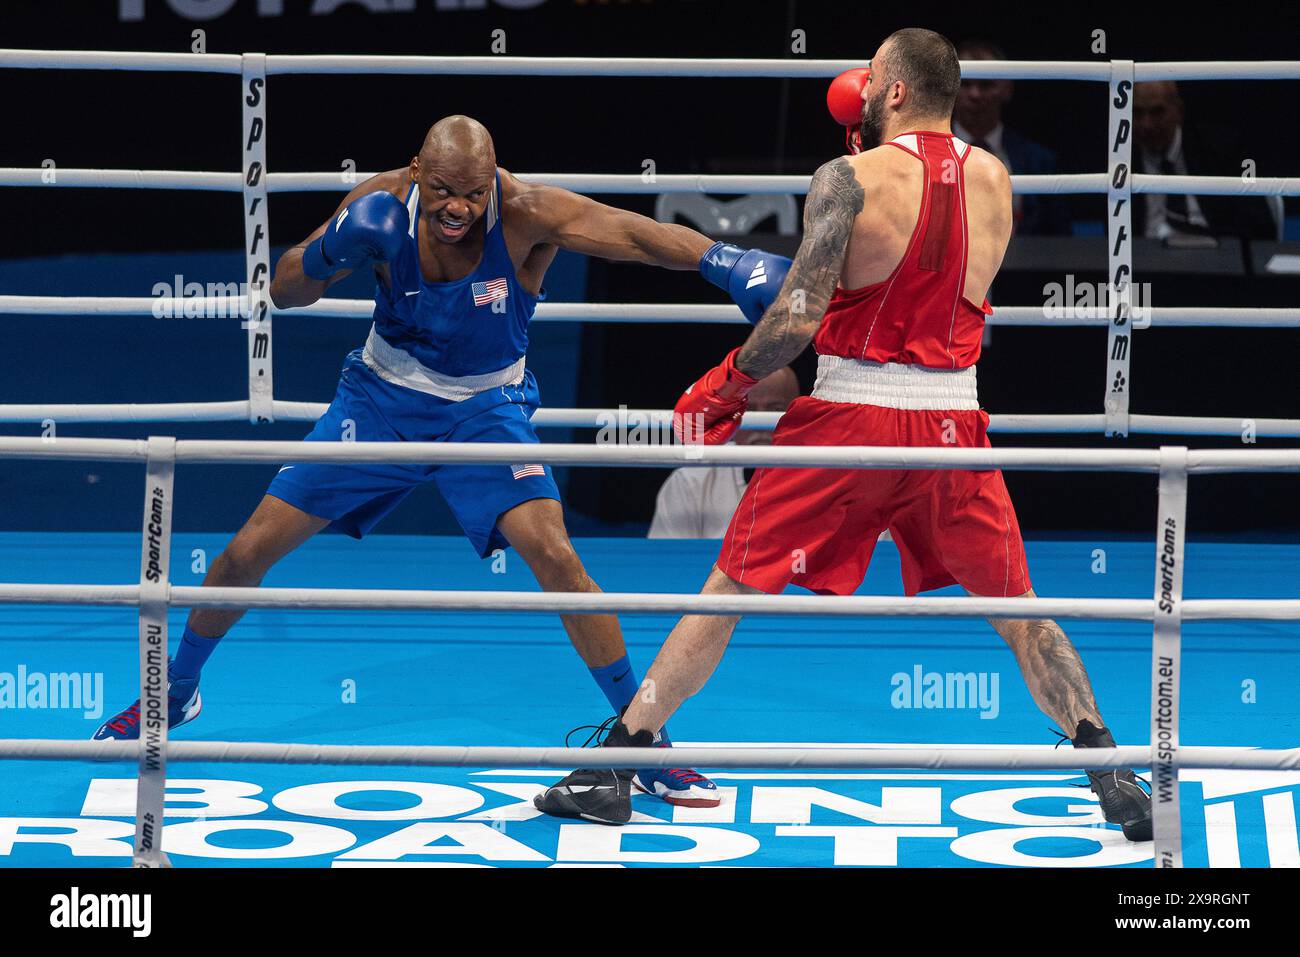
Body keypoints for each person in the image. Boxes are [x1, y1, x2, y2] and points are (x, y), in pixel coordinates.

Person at [534, 30, 1153, 842]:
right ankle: (1112, 774)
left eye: (872, 79)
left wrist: (722, 385)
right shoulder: (1000, 180)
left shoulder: (847, 178)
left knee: (728, 591)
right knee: (1020, 611)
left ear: (893, 90)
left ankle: (618, 766)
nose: (858, 89)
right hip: (951, 424)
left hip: (850, 420)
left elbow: (796, 318)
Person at [93, 115, 792, 810]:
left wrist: (723, 262)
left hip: (488, 412)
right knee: (245, 552)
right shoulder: (381, 202)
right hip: (377, 402)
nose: (458, 207)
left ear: (494, 180)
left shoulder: (524, 213)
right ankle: (172, 698)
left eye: (474, 192)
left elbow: (633, 235)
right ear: (418, 173)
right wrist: (333, 250)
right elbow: (283, 288)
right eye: (444, 191)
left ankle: (645, 742)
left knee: (556, 557)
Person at [648, 367, 799, 539]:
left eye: (774, 409)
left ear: (798, 412)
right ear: (734, 411)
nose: (759, 423)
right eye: (749, 409)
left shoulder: (821, 476)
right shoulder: (691, 482)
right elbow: (669, 561)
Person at [952, 38, 1070, 236]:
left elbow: (1060, 241)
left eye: (986, 85)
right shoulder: (923, 155)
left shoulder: (1039, 161)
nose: (975, 94)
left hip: (1024, 263)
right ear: (950, 89)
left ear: (1007, 89)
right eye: (965, 84)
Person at [1132, 81, 1278, 241]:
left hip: (1215, 256)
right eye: (1137, 113)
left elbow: (1259, 222)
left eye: (1157, 112)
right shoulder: (1120, 163)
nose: (1147, 125)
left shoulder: (1226, 150)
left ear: (1179, 111)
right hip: (1143, 259)